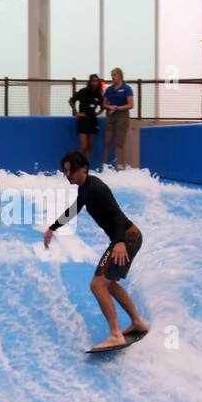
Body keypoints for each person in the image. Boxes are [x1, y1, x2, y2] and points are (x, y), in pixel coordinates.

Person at [44, 150, 148, 351]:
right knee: (108, 283)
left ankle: (116, 334)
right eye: (65, 171)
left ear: (83, 169)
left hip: (128, 237)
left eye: (71, 171)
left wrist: (119, 242)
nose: (68, 175)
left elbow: (117, 214)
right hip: (127, 237)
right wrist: (53, 228)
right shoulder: (85, 188)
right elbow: (74, 209)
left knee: (97, 285)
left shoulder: (95, 189)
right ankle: (137, 322)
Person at [101, 67, 135, 169]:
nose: (113, 77)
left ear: (120, 75)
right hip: (110, 115)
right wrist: (109, 107)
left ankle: (120, 165)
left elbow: (131, 104)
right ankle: (105, 165)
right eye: (112, 75)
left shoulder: (126, 88)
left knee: (120, 142)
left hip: (122, 115)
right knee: (108, 141)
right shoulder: (109, 89)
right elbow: (104, 104)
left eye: (114, 75)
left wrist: (118, 108)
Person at [69, 74, 104, 157]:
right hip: (83, 121)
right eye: (93, 81)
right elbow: (71, 100)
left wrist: (97, 113)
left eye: (96, 81)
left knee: (90, 147)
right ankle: (77, 164)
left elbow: (103, 106)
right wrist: (76, 112)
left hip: (93, 121)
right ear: (90, 82)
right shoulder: (83, 91)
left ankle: (86, 167)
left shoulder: (98, 94)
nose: (95, 83)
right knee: (84, 146)